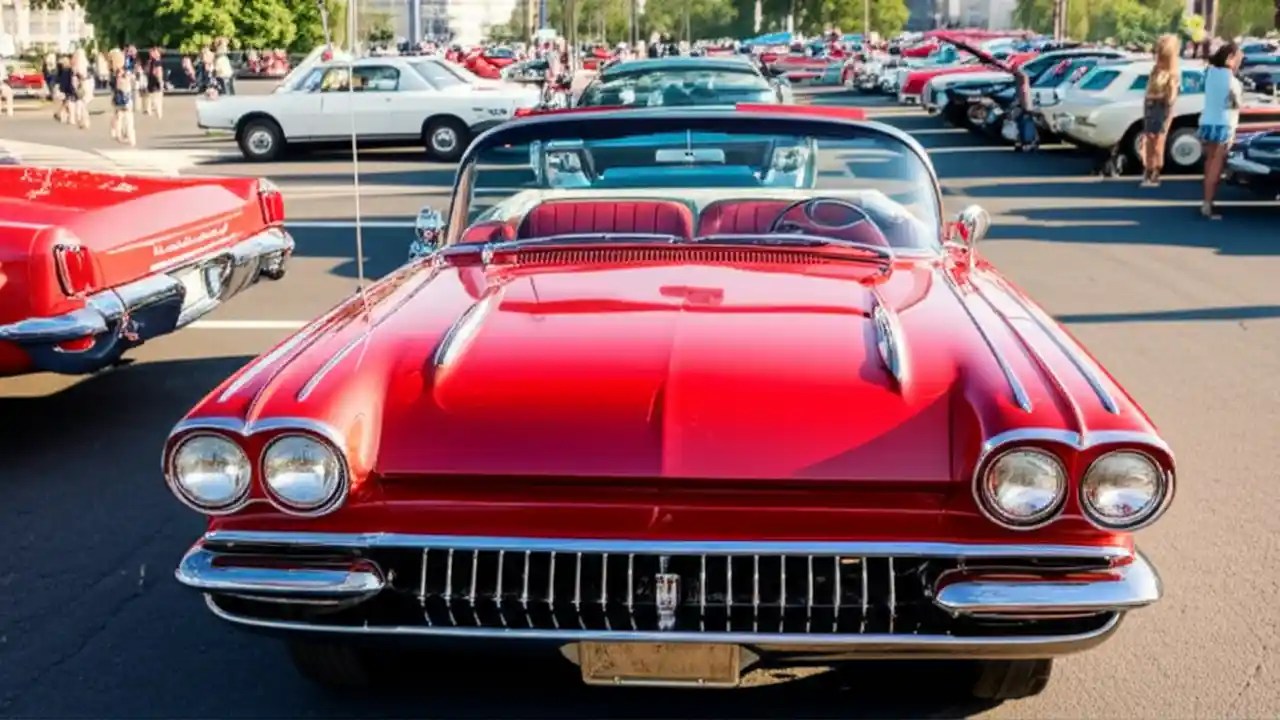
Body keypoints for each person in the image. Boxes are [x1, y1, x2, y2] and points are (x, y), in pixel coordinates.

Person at [1198, 41, 1243, 219]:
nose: (1239, 64)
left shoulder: (1209, 73)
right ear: (1230, 58)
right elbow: (1236, 104)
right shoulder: (1232, 81)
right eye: (1238, 60)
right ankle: (1208, 204)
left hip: (1207, 121)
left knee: (1209, 163)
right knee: (1217, 166)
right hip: (1223, 124)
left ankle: (1206, 200)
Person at [1141, 34, 1181, 187]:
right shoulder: (1156, 69)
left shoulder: (1172, 72)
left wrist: (1159, 96)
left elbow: (1171, 97)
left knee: (1158, 139)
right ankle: (1148, 169)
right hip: (1151, 104)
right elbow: (1149, 89)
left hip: (1161, 106)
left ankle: (1155, 170)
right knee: (1149, 138)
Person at [108, 48, 136, 146]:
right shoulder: (122, 71)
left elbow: (115, 85)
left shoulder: (114, 72)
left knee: (119, 116)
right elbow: (129, 81)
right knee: (127, 117)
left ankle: (119, 134)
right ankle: (129, 136)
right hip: (125, 95)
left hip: (119, 96)